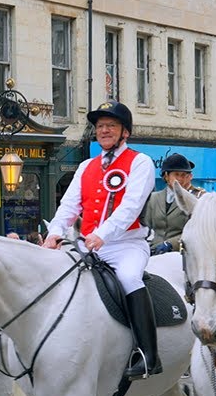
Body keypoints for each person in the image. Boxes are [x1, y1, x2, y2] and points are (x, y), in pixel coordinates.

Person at [45, 101, 159, 379]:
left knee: (130, 278)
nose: (104, 131)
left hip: (126, 245)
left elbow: (130, 207)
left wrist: (102, 234)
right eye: (100, 127)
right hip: (88, 244)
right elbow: (69, 206)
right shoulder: (86, 166)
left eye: (111, 126)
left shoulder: (140, 162)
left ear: (125, 132)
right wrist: (54, 234)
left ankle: (148, 354)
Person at [141, 153, 205, 255]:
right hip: (154, 251)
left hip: (182, 253)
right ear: (166, 176)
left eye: (183, 175)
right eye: (176, 174)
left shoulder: (197, 199)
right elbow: (145, 227)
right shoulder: (153, 198)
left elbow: (197, 231)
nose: (180, 179)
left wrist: (171, 244)